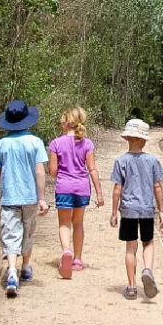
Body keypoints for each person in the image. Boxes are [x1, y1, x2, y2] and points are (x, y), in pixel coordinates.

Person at [0, 99, 49, 298]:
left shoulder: (1, 144)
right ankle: (25, 267)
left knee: (10, 233)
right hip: (30, 197)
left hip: (10, 198)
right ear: (28, 120)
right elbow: (40, 171)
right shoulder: (35, 143)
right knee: (28, 231)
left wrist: (4, 188)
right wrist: (42, 198)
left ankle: (12, 272)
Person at [110, 118, 163, 300]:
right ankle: (147, 270)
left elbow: (117, 189)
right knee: (148, 242)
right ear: (144, 140)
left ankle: (132, 287)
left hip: (128, 210)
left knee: (130, 247)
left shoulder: (121, 161)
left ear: (127, 138)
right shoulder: (152, 161)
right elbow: (157, 187)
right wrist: (162, 210)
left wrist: (113, 212)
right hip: (147, 209)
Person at [49, 106, 104, 278]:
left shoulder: (56, 143)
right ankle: (78, 260)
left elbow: (52, 171)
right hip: (82, 188)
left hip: (64, 187)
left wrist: (64, 176)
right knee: (78, 223)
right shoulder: (87, 144)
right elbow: (92, 169)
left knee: (64, 223)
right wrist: (99, 193)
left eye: (62, 120)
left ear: (67, 122)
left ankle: (67, 251)